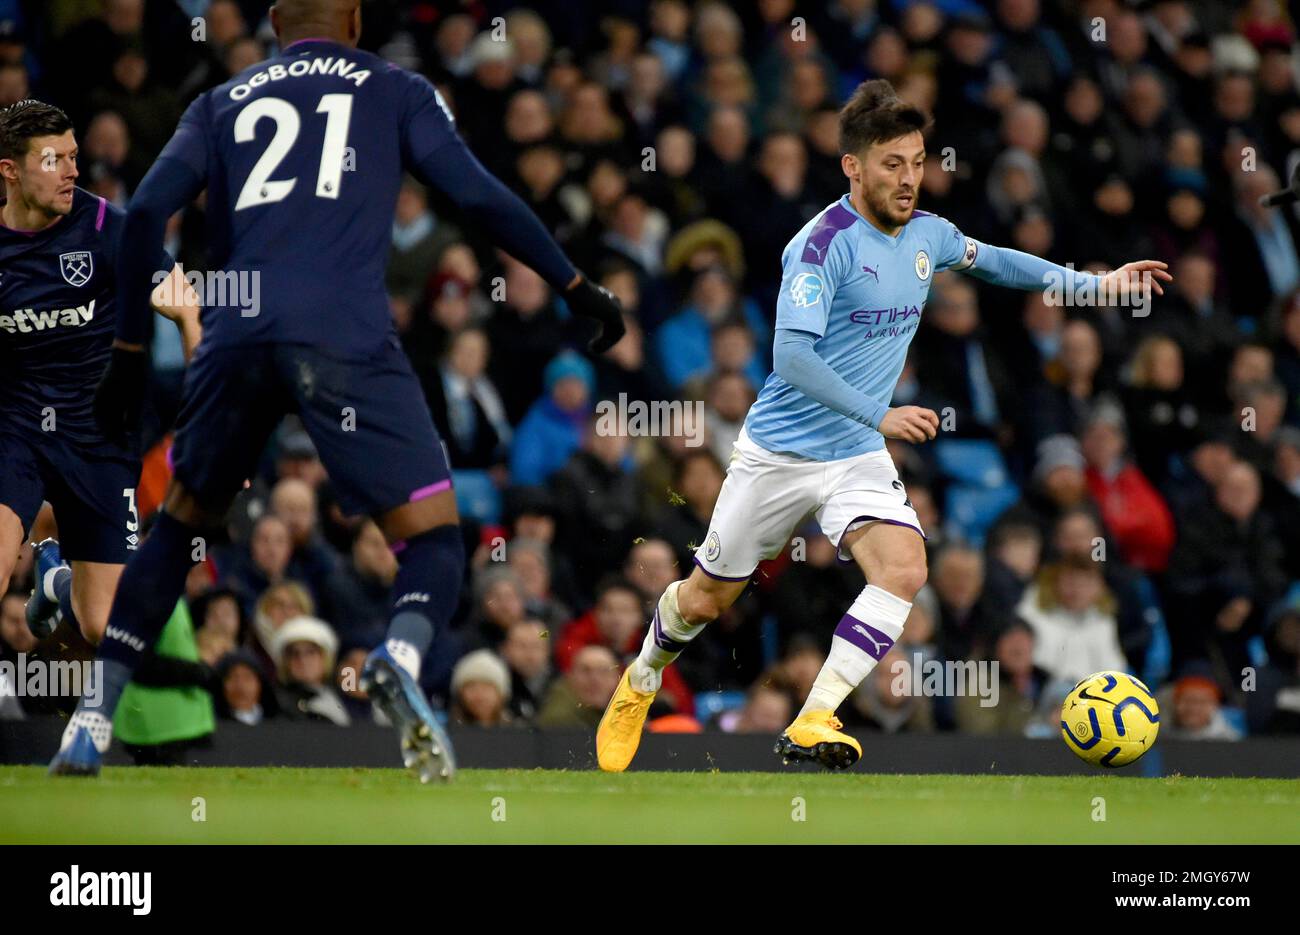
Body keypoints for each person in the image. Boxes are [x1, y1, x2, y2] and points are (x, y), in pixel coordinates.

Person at [51, 0, 624, 780]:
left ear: (274, 25)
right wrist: (575, 283)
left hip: (236, 333)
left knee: (179, 529)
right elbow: (480, 196)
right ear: (353, 19)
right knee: (433, 539)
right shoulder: (393, 88)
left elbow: (146, 209)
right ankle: (399, 653)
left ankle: (90, 721)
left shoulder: (221, 100)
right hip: (343, 335)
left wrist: (126, 349)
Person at [596, 78, 1171, 772]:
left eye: (918, 162)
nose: (908, 178)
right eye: (892, 163)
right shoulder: (821, 245)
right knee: (704, 599)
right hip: (780, 452)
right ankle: (642, 678)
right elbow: (791, 356)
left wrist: (1094, 284)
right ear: (853, 166)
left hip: (856, 453)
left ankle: (814, 717)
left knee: (905, 568)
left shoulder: (929, 233)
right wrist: (884, 412)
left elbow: (998, 263)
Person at [0, 99, 199, 653]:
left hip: (99, 435)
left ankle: (55, 582)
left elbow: (187, 309)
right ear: (9, 170)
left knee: (100, 624)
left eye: (73, 156)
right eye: (53, 160)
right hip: (14, 429)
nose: (71, 172)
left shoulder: (110, 228)